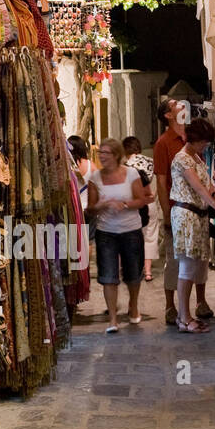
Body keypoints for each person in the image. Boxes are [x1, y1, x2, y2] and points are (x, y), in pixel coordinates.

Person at [169, 117, 215, 334]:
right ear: (195, 139)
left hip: (198, 216)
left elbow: (210, 188)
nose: (206, 146)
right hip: (186, 215)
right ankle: (184, 317)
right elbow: (199, 189)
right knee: (187, 266)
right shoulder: (182, 159)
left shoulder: (197, 159)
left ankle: (186, 315)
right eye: (204, 143)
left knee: (196, 266)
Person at [154, 97, 215, 325]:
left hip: (196, 209)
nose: (183, 106)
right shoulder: (164, 143)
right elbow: (161, 182)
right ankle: (172, 306)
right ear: (169, 115)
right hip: (178, 208)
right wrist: (166, 212)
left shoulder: (192, 137)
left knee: (200, 256)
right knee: (176, 259)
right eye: (176, 105)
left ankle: (199, 301)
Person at [87, 137, 153, 332]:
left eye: (105, 153)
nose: (101, 157)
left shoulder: (131, 174)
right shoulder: (95, 178)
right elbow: (90, 209)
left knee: (133, 273)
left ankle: (133, 306)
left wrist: (124, 204)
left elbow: (142, 200)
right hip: (106, 232)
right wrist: (103, 204)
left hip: (131, 229)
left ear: (116, 155)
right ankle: (113, 320)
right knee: (108, 275)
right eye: (100, 153)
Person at [123, 135, 158, 282]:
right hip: (151, 203)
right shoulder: (150, 162)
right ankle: (148, 271)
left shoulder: (126, 166)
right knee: (150, 237)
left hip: (135, 206)